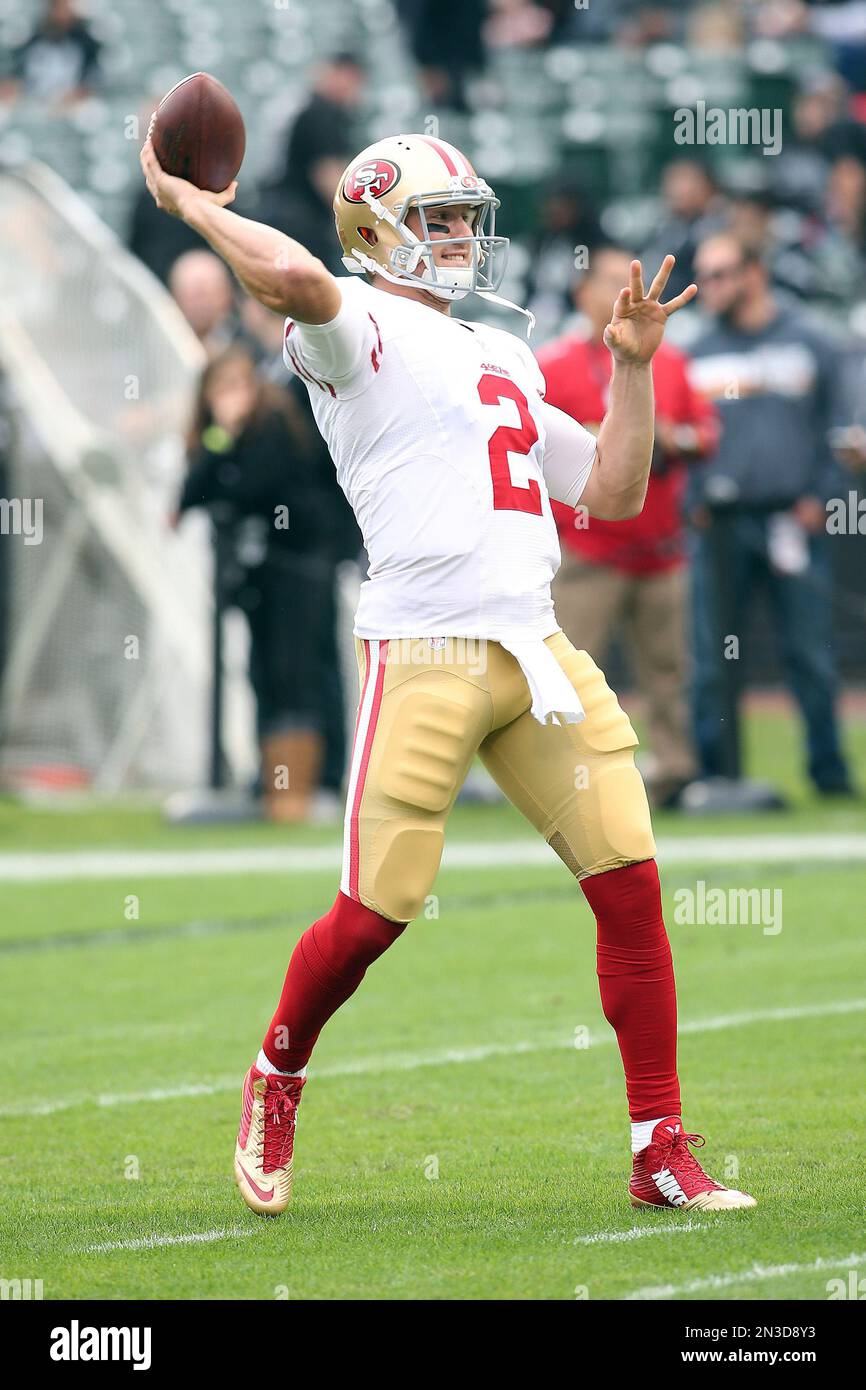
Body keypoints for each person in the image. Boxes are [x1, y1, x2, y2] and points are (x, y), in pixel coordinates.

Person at [140, 128, 756, 1217]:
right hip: (424, 646)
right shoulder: (352, 326)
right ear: (377, 228)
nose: (462, 237)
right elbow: (286, 274)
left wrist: (628, 366)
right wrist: (188, 202)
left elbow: (612, 491)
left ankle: (658, 1148)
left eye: (468, 217)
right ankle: (276, 1072)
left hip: (536, 646)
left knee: (629, 883)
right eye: (440, 219)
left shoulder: (503, 353)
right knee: (373, 915)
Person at [539, 246, 718, 807]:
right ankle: (565, 779)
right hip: (588, 547)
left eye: (630, 280)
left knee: (668, 670)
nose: (626, 292)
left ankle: (674, 775)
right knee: (572, 668)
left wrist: (665, 436)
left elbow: (705, 435)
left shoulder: (671, 360)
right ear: (582, 294)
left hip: (659, 545)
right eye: (612, 281)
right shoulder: (553, 365)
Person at [689, 231, 854, 796]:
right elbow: (679, 440)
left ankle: (829, 774)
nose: (706, 287)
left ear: (754, 272)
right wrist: (694, 503)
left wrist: (823, 497)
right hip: (720, 527)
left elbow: (842, 433)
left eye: (719, 274)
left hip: (791, 517)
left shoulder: (811, 342)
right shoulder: (697, 352)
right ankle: (714, 776)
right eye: (702, 275)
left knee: (808, 652)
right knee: (713, 656)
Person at [179, 345, 332, 821]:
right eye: (220, 389)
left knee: (295, 675)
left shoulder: (275, 427)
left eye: (238, 387)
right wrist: (221, 436)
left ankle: (300, 790)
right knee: (261, 674)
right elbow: (191, 491)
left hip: (296, 569)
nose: (232, 399)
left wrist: (226, 447)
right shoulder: (221, 436)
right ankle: (270, 785)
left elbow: (250, 489)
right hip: (255, 577)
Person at [1, 0, 100, 107]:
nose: (60, 14)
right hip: (32, 101)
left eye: (65, 8)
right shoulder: (32, 41)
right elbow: (17, 76)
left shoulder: (86, 44)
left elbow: (92, 82)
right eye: (57, 7)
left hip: (69, 105)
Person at [169, 250, 238, 359]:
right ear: (175, 299)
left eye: (206, 294)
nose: (200, 305)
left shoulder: (247, 348)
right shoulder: (164, 349)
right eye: (192, 296)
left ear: (227, 294)